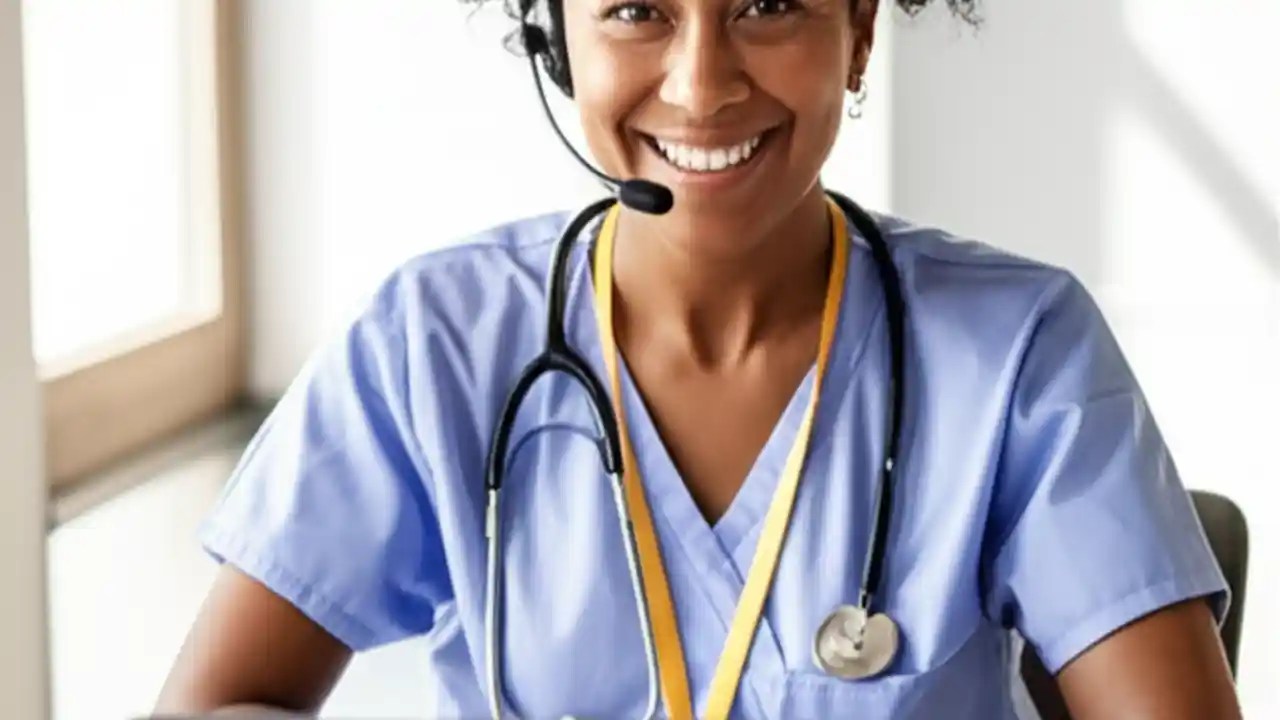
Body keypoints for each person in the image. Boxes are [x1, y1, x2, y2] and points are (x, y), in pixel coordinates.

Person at [154, 0, 1243, 717]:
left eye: (767, 3)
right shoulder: (430, 344)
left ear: (858, 29)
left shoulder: (1018, 354)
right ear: (554, 34)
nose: (701, 82)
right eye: (635, 9)